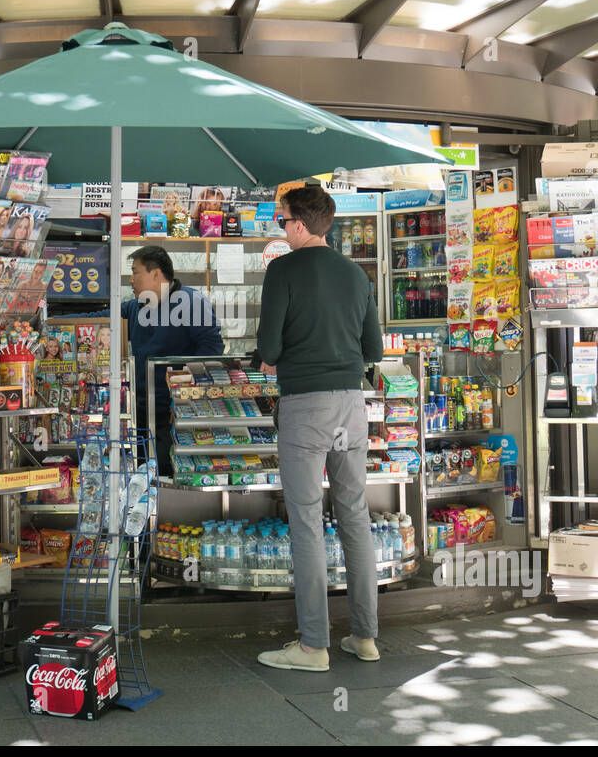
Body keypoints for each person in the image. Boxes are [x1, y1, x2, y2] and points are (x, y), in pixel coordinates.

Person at [254, 183, 383, 672]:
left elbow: (268, 349)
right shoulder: (355, 274)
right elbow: (372, 350)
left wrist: (277, 360)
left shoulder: (282, 270)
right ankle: (366, 637)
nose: (281, 228)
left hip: (305, 406)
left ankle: (313, 647)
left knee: (306, 522)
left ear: (301, 224)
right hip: (352, 406)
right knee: (354, 517)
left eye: (283, 220)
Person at [78, 246, 224, 476]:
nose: (131, 279)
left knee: (167, 479)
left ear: (155, 274)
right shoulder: (135, 307)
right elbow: (99, 319)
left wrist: (184, 389)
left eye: (135, 272)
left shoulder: (191, 301)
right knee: (140, 479)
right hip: (140, 415)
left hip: (176, 415)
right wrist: (51, 321)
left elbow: (212, 350)